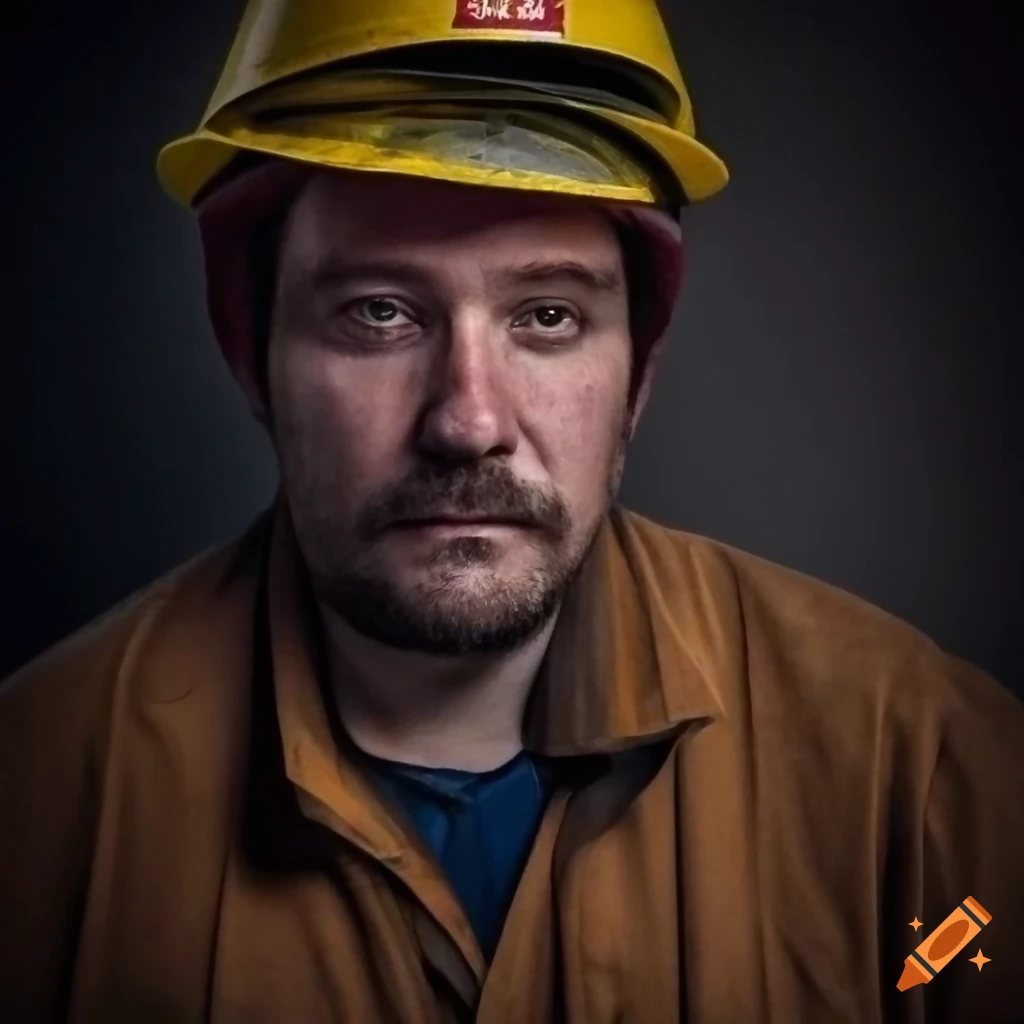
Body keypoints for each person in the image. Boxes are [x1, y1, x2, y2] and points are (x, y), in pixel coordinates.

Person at [1, 1, 1021, 1021]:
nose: (467, 420)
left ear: (638, 371)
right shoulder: (38, 806)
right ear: (250, 343)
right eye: (380, 312)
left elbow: (966, 963)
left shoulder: (922, 771)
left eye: (547, 316)